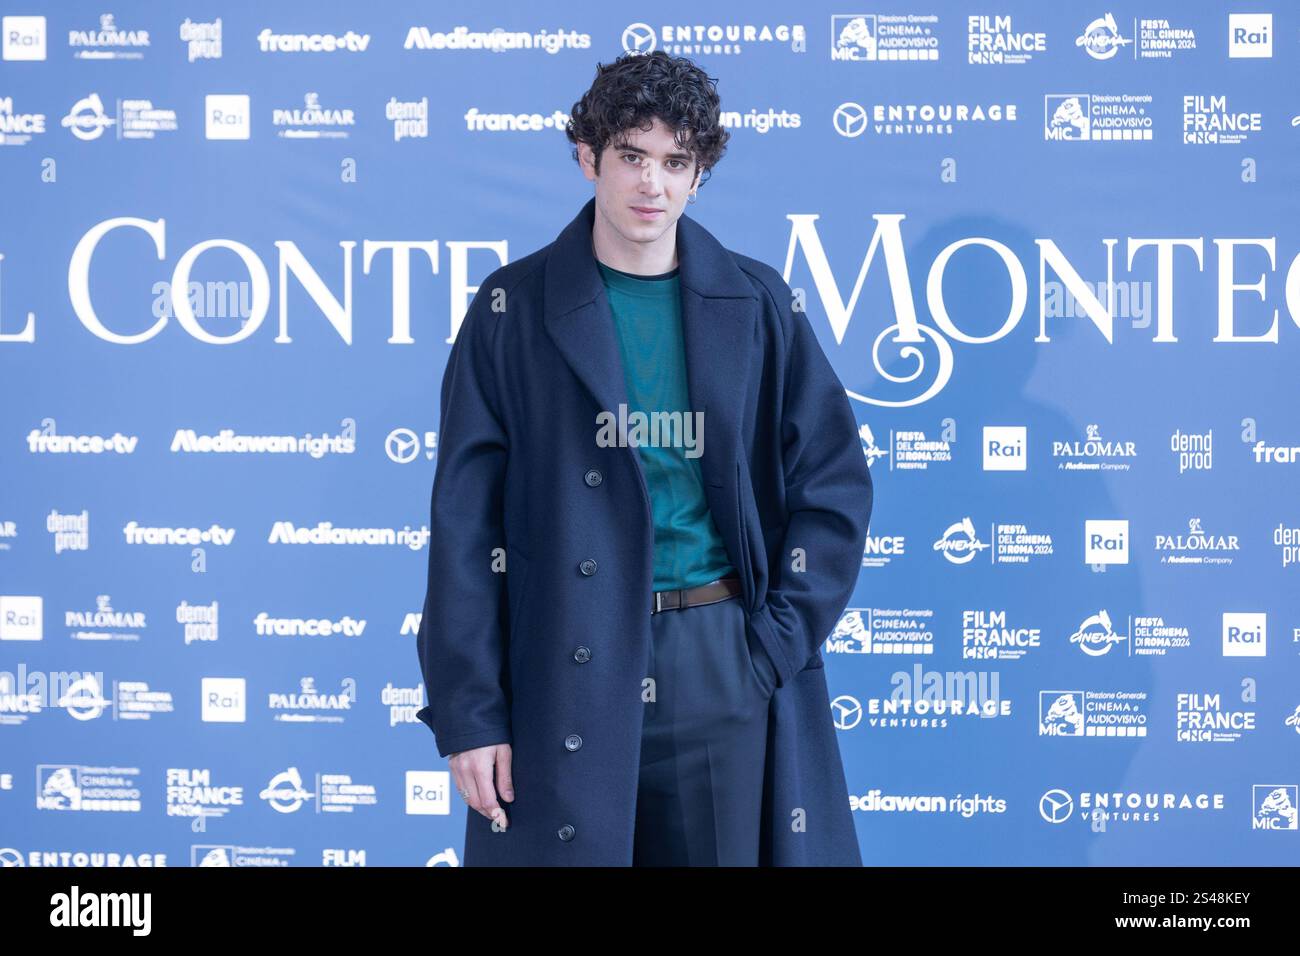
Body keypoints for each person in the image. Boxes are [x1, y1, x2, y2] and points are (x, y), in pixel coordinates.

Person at [415, 50, 872, 866]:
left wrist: (767, 649)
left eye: (675, 161)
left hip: (717, 661)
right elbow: (463, 529)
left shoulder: (758, 302)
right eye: (631, 155)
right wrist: (472, 713)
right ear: (587, 157)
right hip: (561, 666)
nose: (651, 184)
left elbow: (833, 485)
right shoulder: (509, 312)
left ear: (699, 176)